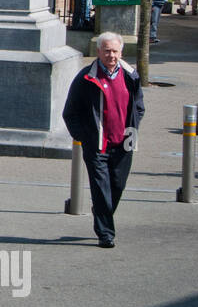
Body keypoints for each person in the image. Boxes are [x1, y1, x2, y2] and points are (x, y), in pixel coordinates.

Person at [62, 32, 145, 248]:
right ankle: (105, 233)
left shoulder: (130, 75)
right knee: (101, 189)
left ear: (121, 52)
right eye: (106, 51)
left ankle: (101, 213)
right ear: (98, 52)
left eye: (115, 51)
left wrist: (134, 126)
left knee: (117, 186)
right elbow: (70, 113)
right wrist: (84, 136)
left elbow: (139, 106)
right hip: (97, 145)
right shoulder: (86, 77)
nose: (111, 55)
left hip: (124, 142)